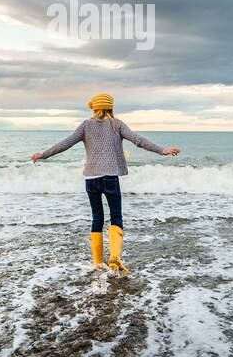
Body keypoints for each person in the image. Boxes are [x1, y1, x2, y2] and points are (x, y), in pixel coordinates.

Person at [31, 93, 180, 274]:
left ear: (94, 107)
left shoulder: (86, 125)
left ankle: (97, 263)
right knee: (116, 216)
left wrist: (43, 154)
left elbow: (65, 143)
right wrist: (162, 150)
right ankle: (115, 257)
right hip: (110, 178)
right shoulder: (116, 124)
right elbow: (137, 140)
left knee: (97, 217)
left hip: (91, 179)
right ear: (111, 107)